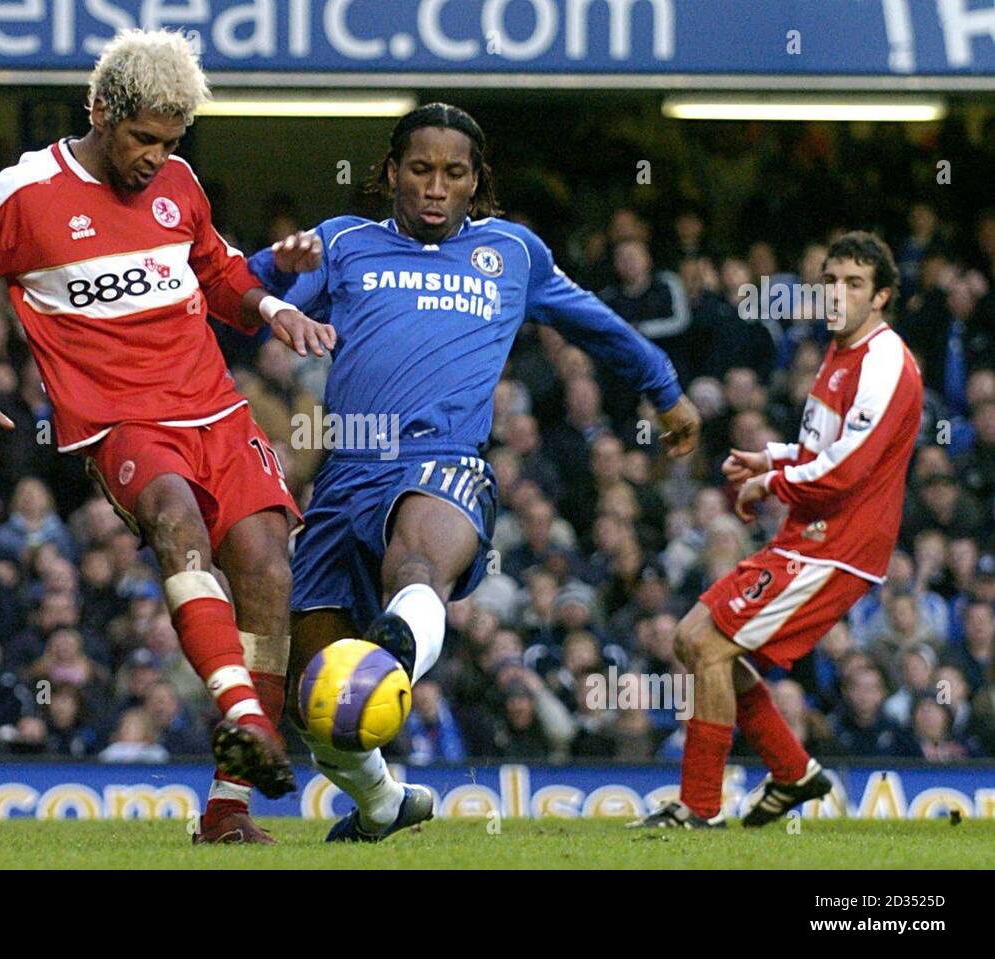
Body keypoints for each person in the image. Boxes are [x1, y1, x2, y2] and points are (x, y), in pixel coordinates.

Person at [0, 28, 335, 844]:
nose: (153, 159)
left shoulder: (179, 183)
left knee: (270, 571)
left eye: (169, 143)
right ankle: (246, 715)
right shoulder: (24, 193)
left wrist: (275, 306)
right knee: (177, 522)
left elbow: (220, 273)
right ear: (99, 111)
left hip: (217, 411)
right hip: (122, 422)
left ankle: (227, 810)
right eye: (140, 139)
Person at [249, 102, 699, 841]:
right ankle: (384, 803)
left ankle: (396, 652)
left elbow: (595, 323)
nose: (435, 187)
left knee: (417, 562)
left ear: (475, 182)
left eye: (453, 174)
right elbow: (240, 308)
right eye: (420, 170)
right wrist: (273, 267)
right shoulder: (342, 243)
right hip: (344, 477)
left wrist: (666, 388)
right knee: (319, 701)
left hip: (443, 461)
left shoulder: (513, 253)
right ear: (391, 172)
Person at [631, 232, 924, 829]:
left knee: (704, 644)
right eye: (830, 282)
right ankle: (794, 774)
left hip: (838, 546)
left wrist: (774, 485)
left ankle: (700, 808)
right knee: (694, 642)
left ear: (883, 296)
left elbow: (850, 466)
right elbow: (824, 447)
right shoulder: (841, 352)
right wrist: (770, 459)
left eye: (854, 284)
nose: (837, 295)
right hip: (811, 536)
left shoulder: (885, 359)